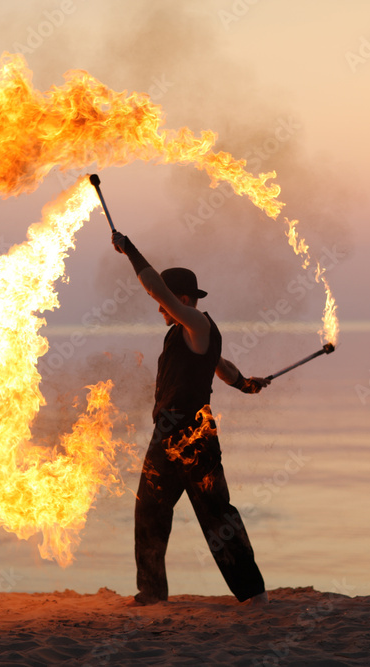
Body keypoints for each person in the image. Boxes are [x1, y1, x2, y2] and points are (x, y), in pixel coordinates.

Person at [111, 229, 271, 606]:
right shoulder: (184, 335)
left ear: (181, 300)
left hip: (195, 437)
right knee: (149, 511)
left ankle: (254, 596)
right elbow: (220, 366)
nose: (159, 308)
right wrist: (246, 384)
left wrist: (130, 249)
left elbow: (155, 289)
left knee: (217, 515)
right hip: (165, 437)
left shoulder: (198, 325)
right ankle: (152, 594)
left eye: (166, 302)